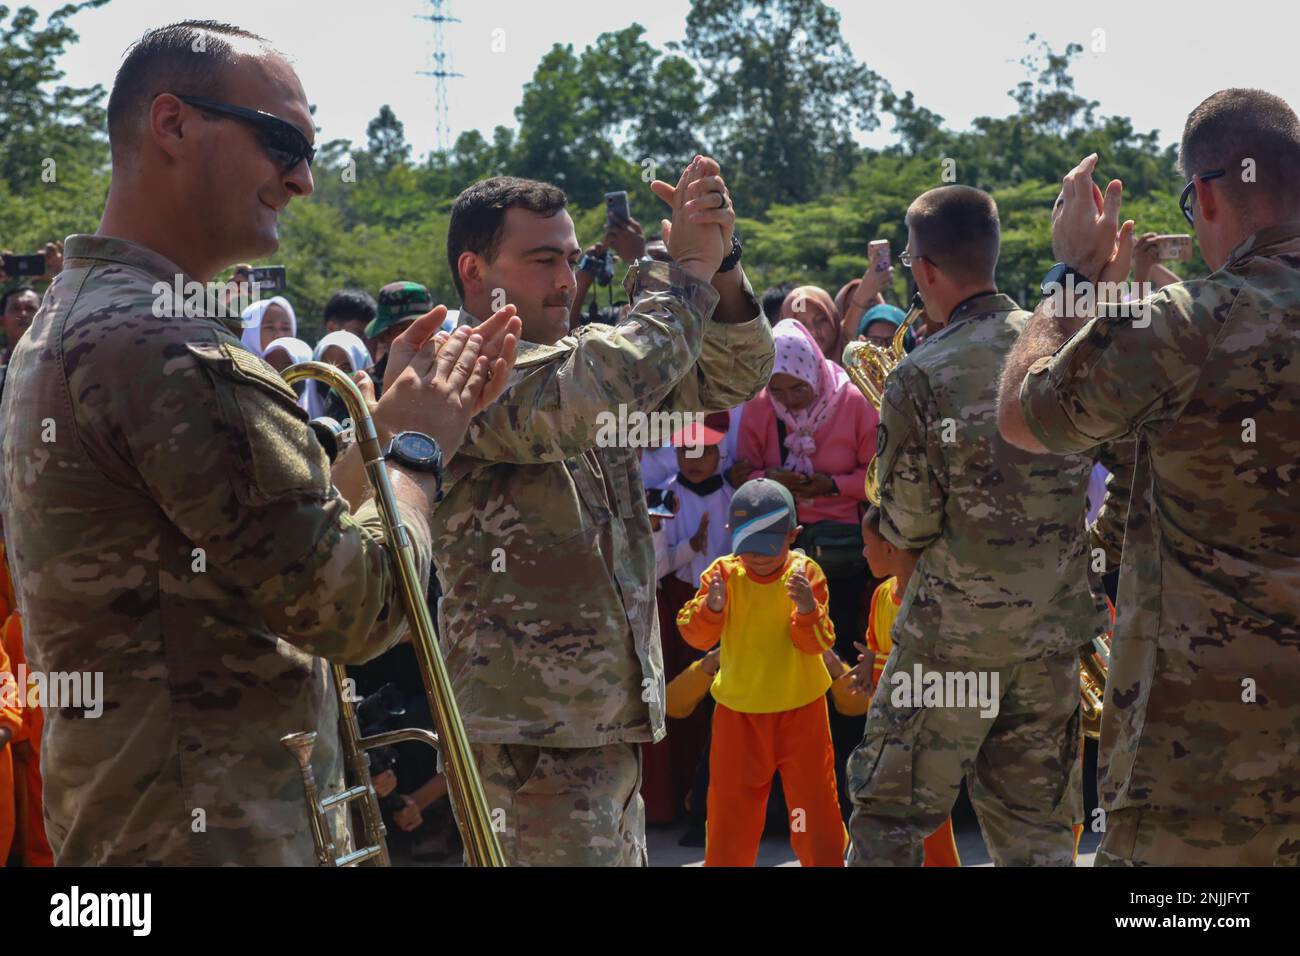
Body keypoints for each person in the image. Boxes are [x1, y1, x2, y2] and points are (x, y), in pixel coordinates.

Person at [0, 19, 521, 866]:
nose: (303, 179)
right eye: (282, 141)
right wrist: (422, 448)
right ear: (172, 125)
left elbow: (277, 531)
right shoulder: (169, 350)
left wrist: (384, 424)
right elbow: (356, 606)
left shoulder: (83, 312)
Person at [430, 160, 775, 866]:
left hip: (597, 719)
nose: (565, 278)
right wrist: (682, 273)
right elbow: (612, 385)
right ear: (475, 270)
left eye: (570, 256)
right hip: (530, 733)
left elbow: (734, 374)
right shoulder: (455, 372)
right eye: (542, 259)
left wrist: (723, 262)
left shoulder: (576, 354)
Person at [997, 88, 1300, 866]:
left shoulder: (1184, 324)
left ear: (1201, 195)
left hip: (1199, 772)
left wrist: (1072, 275)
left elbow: (1026, 417)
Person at [846, 185, 1107, 868]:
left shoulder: (918, 374)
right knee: (1040, 833)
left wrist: (880, 510)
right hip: (1050, 638)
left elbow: (909, 517)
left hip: (948, 640)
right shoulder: (1065, 346)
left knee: (889, 822)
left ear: (925, 268)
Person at [731, 316, 877, 814]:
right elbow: (741, 469)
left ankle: (844, 782)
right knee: (784, 653)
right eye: (778, 388)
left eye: (796, 388)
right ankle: (779, 799)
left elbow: (877, 475)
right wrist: (771, 480)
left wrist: (830, 487)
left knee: (830, 653)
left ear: (813, 372)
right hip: (777, 548)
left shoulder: (853, 402)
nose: (788, 399)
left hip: (841, 552)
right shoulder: (758, 406)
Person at [677, 478, 846, 867]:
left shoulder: (807, 575)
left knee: (813, 812)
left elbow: (817, 642)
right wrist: (713, 609)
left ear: (794, 535)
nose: (759, 559)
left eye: (769, 548)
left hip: (801, 712)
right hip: (739, 715)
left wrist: (807, 610)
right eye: (749, 549)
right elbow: (694, 635)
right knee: (731, 816)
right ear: (730, 536)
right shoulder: (722, 574)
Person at [857, 505, 959, 867]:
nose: (863, 553)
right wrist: (869, 666)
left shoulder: (933, 598)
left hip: (926, 736)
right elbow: (879, 650)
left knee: (929, 828)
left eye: (867, 544)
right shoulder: (881, 596)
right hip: (887, 737)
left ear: (890, 548)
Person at [644, 421, 734, 823]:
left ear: (720, 456)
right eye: (686, 452)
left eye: (705, 453)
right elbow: (656, 566)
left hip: (729, 608)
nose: (695, 462)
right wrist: (688, 548)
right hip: (680, 609)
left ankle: (715, 802)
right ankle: (675, 799)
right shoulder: (662, 497)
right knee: (681, 702)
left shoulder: (735, 496)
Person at [366, 281, 433, 391]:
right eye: (402, 329)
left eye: (425, 328)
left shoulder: (452, 381)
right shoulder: (358, 389)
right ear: (383, 336)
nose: (417, 337)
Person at [307, 329, 373, 420]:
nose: (335, 377)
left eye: (346, 369)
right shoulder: (300, 417)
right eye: (326, 370)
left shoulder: (378, 414)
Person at [779, 285, 842, 361]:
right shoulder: (774, 370)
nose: (813, 331)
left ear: (833, 319)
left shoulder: (856, 363)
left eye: (820, 320)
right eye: (801, 325)